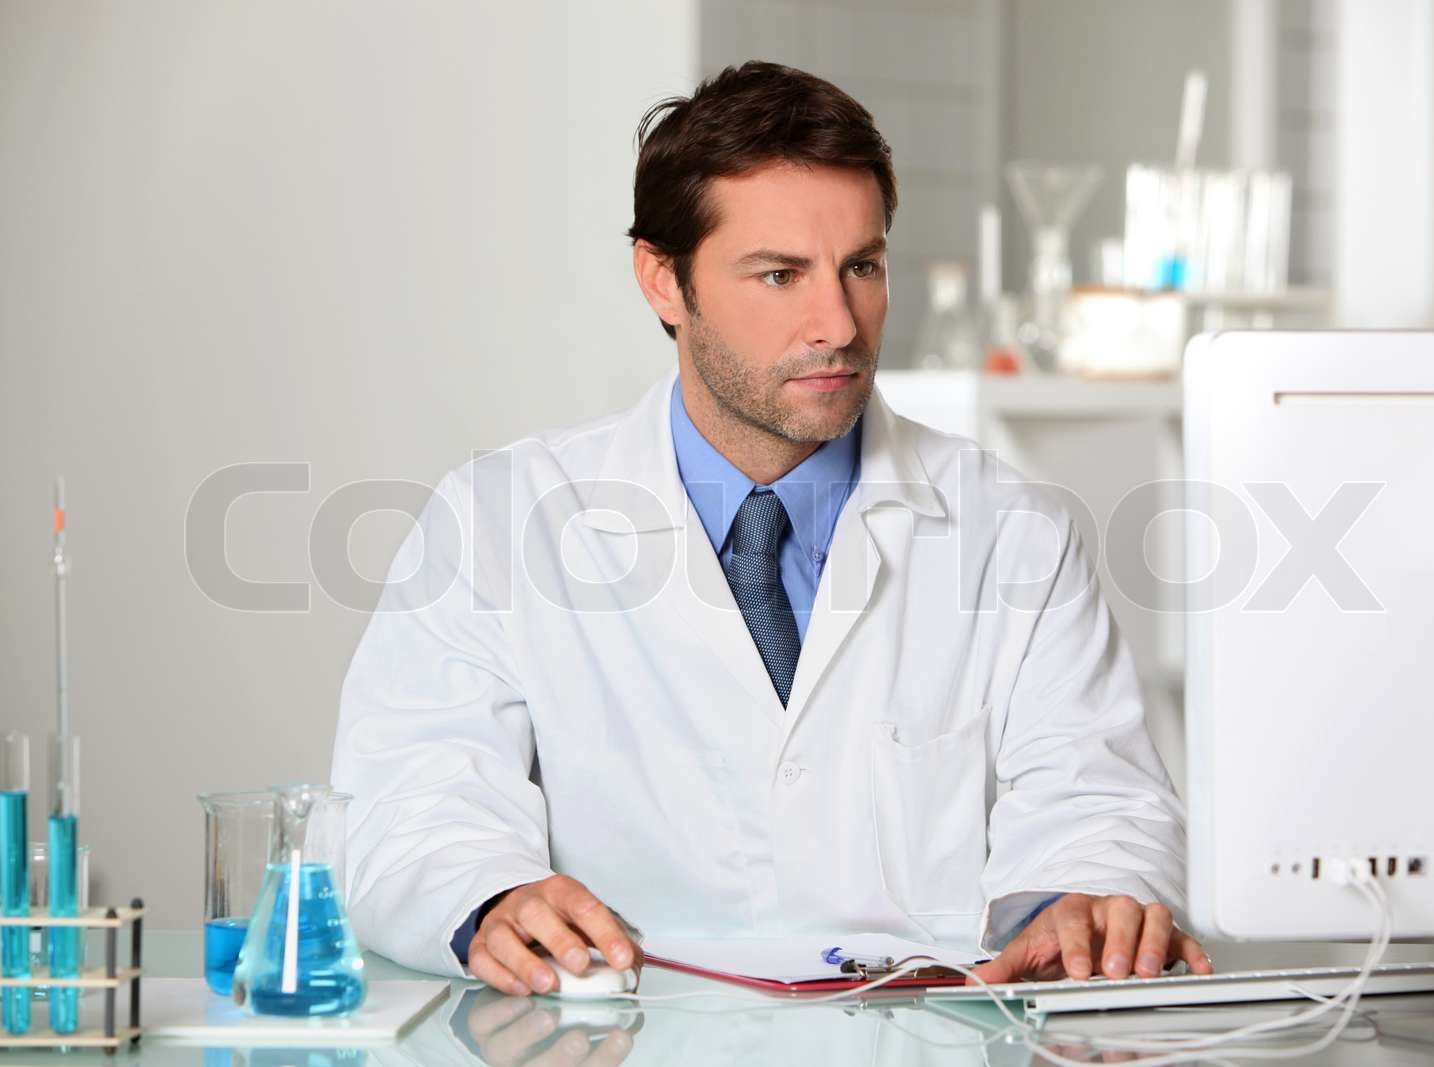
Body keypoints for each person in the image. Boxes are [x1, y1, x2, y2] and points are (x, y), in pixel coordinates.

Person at [331, 60, 1209, 995]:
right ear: (663, 280)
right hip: (627, 1041)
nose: (837, 322)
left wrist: (1080, 901)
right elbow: (409, 800)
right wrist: (488, 898)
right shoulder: (498, 522)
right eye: (780, 274)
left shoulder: (1015, 532)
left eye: (861, 267)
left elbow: (1099, 799)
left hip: (927, 1043)